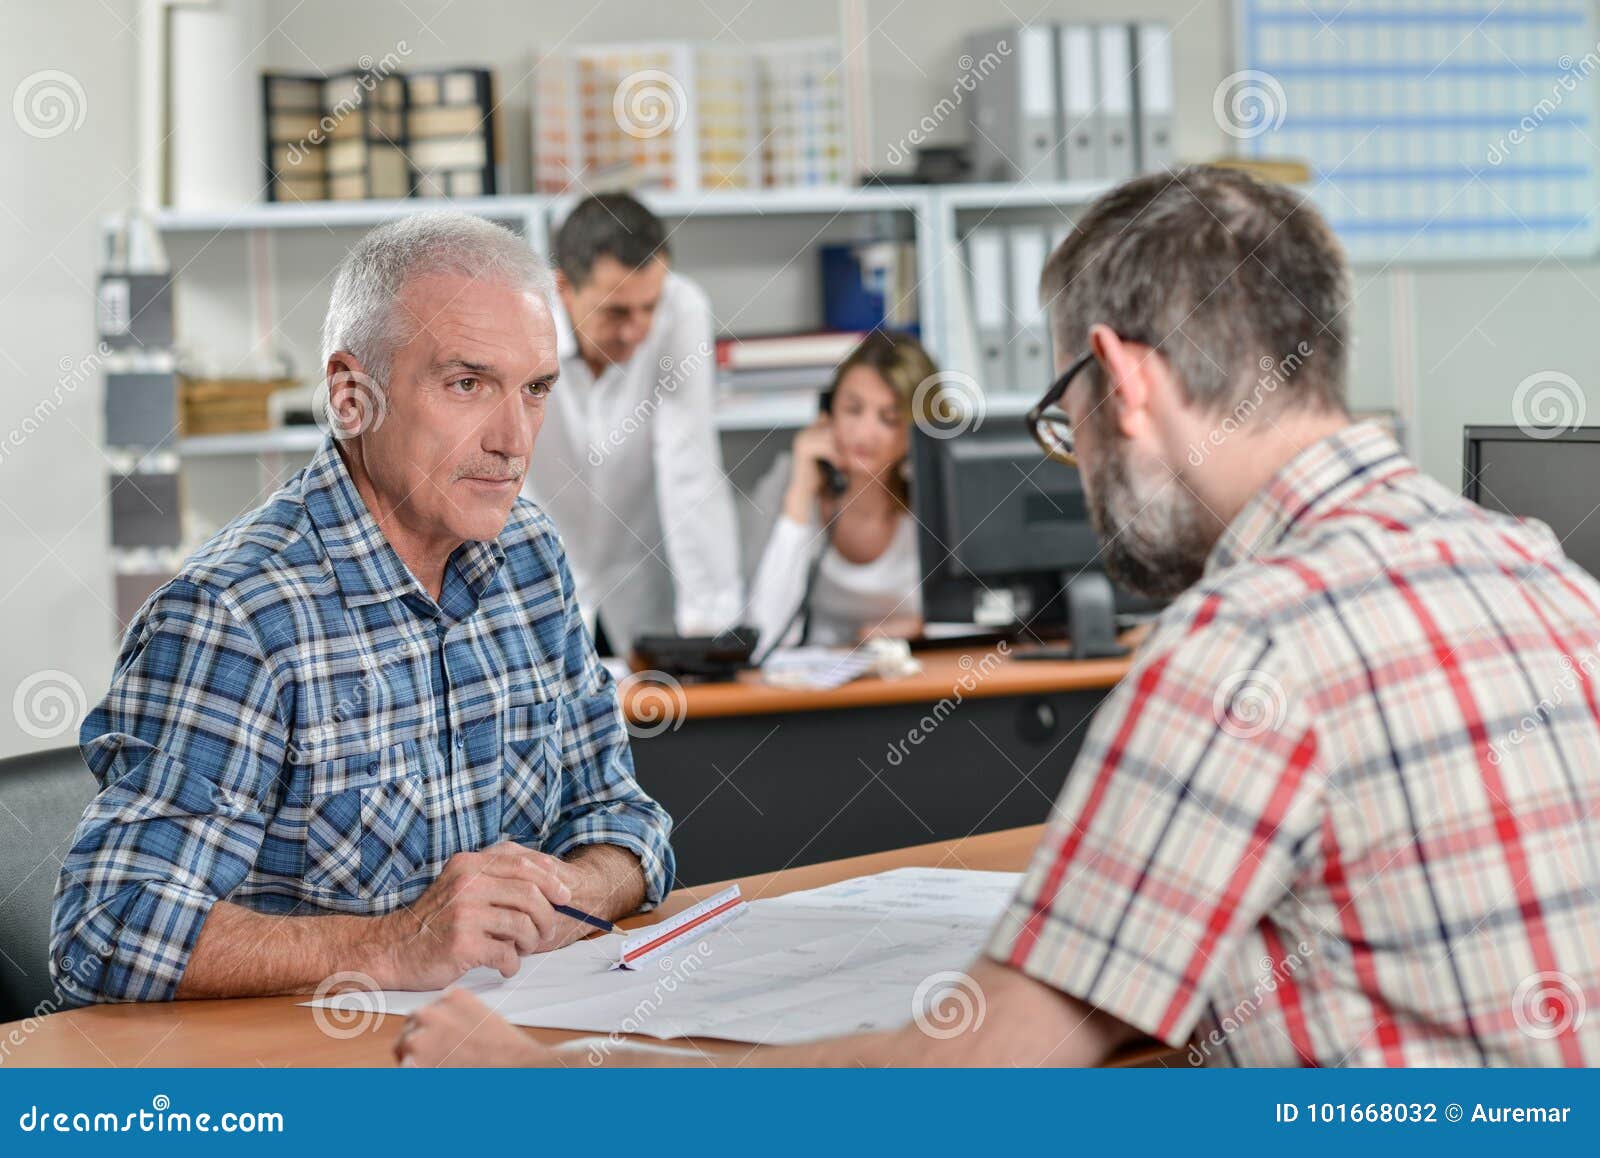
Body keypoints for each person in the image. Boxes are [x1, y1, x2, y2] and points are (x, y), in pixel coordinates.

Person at [396, 167, 1600, 1068]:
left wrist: (551, 1080)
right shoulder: (1549, 579)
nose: (1072, 465)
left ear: (1121, 382)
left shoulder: (1245, 649)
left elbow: (979, 1072)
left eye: (1065, 419)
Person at [51, 211, 674, 1005]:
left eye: (535, 390)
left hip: (496, 1050)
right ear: (351, 397)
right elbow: (106, 926)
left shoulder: (530, 559)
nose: (514, 440)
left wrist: (568, 897)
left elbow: (622, 819)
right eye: (467, 384)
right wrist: (395, 943)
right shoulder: (238, 614)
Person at [522, 192, 742, 655]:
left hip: (644, 589)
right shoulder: (519, 321)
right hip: (534, 587)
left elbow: (690, 466)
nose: (637, 330)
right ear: (563, 288)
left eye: (649, 307)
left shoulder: (682, 309)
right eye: (616, 312)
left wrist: (712, 629)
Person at [743, 330, 939, 650]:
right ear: (828, 409)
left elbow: (989, 618)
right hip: (813, 689)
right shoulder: (785, 484)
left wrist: (920, 628)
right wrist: (799, 496)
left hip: (916, 680)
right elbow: (764, 634)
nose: (864, 432)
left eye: (888, 419)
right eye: (852, 409)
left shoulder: (937, 498)